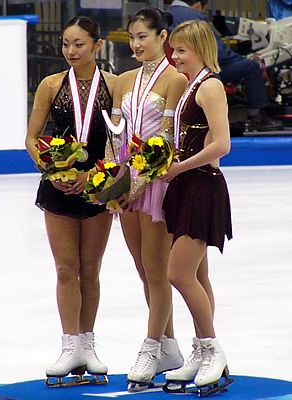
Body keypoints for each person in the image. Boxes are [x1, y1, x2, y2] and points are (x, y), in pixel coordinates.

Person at [25, 16, 116, 384]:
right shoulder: (50, 85)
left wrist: (93, 175)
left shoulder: (114, 86)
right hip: (58, 188)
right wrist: (53, 168)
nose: (70, 51)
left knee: (90, 269)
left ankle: (88, 343)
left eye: (78, 44)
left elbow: (119, 141)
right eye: (65, 44)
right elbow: (31, 139)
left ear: (97, 45)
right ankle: (69, 344)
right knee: (65, 269)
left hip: (97, 188)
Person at [109, 8, 187, 388]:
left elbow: (170, 141)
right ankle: (169, 344)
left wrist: (141, 182)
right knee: (143, 269)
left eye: (143, 36)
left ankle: (152, 344)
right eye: (132, 37)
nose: (136, 44)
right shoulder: (124, 80)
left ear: (162, 36)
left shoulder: (175, 79)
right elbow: (115, 138)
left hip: (158, 183)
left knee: (158, 270)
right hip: (127, 185)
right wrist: (111, 181)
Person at [161, 19, 233, 393]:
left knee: (179, 273)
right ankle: (200, 352)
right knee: (199, 276)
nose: (175, 57)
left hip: (203, 187)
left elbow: (222, 145)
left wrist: (178, 167)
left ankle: (212, 349)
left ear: (201, 49)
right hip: (187, 186)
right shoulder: (191, 86)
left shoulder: (210, 86)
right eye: (173, 50)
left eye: (182, 50)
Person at [167, 0, 282, 132]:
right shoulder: (195, 16)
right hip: (202, 70)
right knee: (251, 66)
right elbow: (218, 52)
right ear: (199, 5)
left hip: (177, 71)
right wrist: (241, 59)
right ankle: (257, 117)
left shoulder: (164, 15)